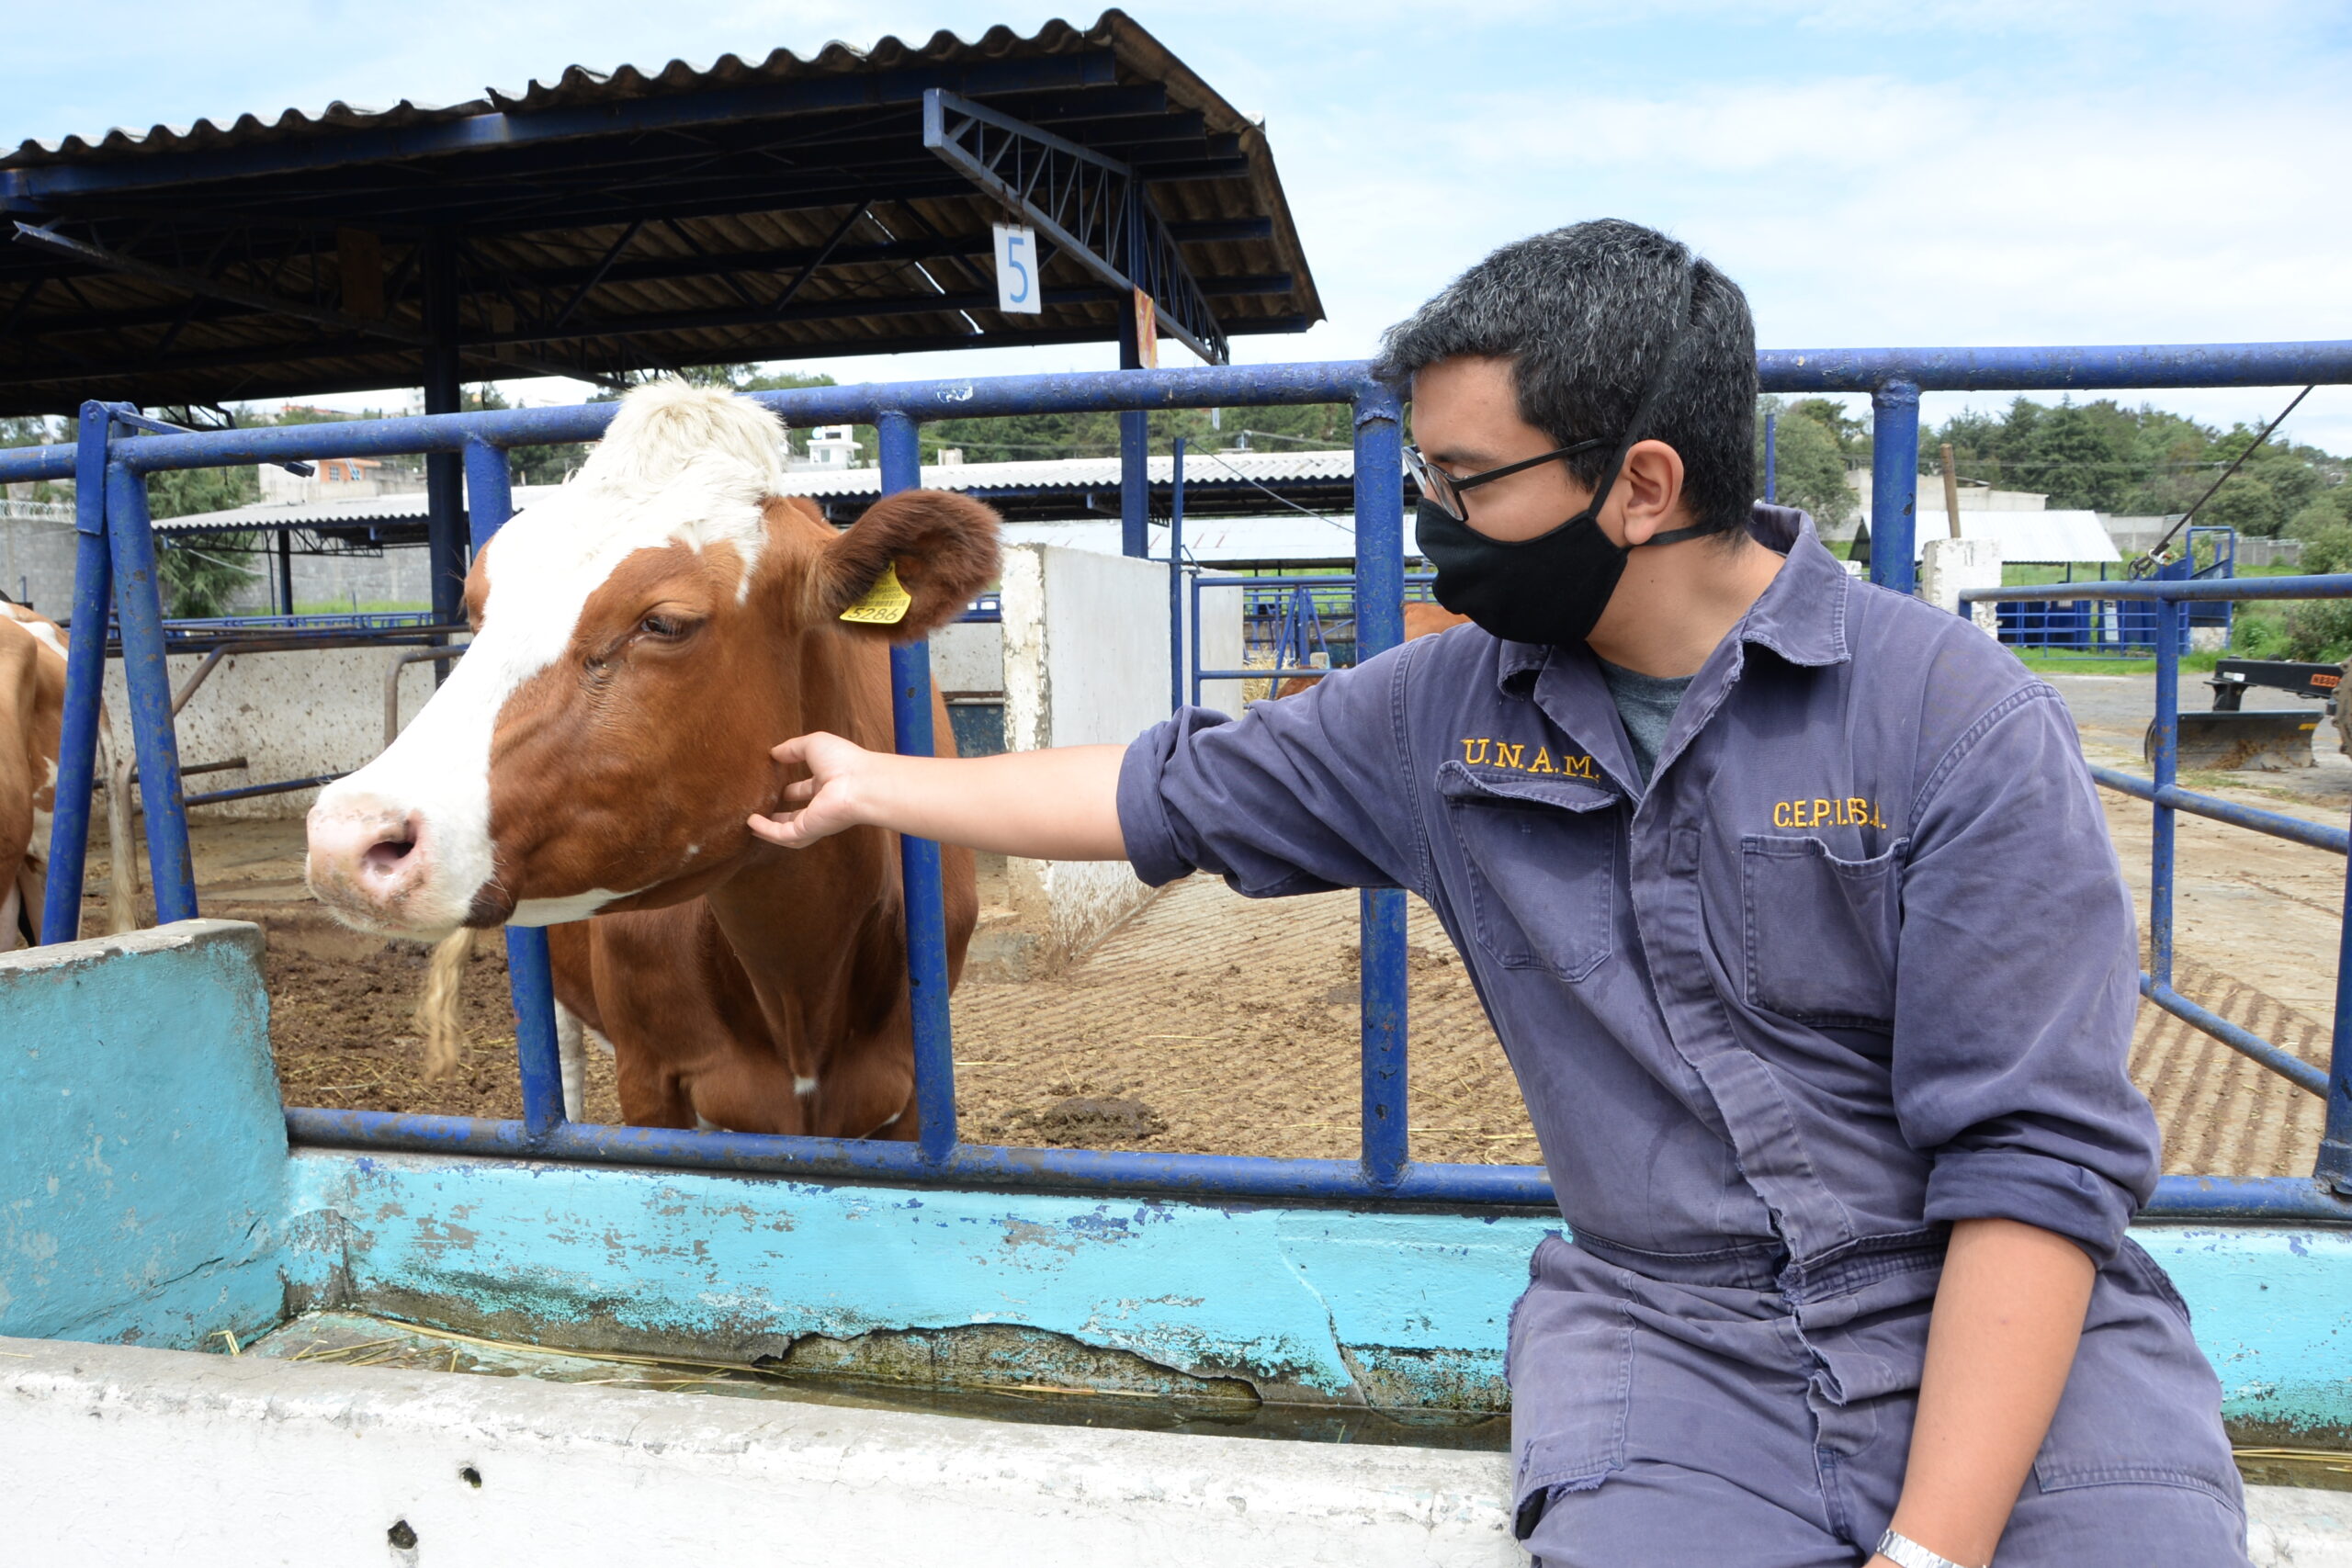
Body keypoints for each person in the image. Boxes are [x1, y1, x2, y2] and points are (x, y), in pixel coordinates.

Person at [748, 220, 2250, 1568]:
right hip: (1677, 1334)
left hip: (2009, 1331)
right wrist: (877, 786)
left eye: (1466, 484)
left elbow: (2031, 1164)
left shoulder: (1959, 722)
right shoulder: (1439, 712)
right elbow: (1165, 789)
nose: (1432, 524)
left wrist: (1932, 1551)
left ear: (1642, 487)